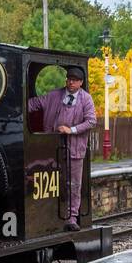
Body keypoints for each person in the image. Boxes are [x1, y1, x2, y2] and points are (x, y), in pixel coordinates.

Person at [27, 64, 96, 230]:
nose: (70, 82)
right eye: (69, 79)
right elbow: (35, 103)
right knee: (51, 183)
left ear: (80, 83)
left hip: (75, 149)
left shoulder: (86, 99)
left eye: (74, 80)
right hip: (52, 149)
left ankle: (72, 217)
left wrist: (71, 130)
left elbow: (92, 121)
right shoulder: (54, 95)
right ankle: (50, 215)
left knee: (73, 185)